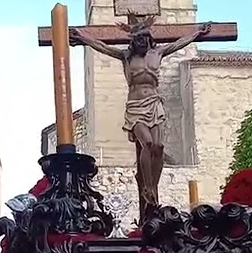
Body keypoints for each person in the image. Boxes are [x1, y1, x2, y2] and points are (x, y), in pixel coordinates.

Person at [71, 18, 213, 219]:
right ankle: (146, 185)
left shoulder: (158, 54)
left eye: (144, 38)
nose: (141, 41)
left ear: (149, 39)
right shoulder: (126, 57)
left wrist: (197, 32)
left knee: (159, 147)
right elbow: (102, 46)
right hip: (136, 106)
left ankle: (152, 185)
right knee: (147, 143)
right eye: (137, 39)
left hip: (154, 103)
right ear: (133, 41)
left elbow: (179, 43)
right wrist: (83, 37)